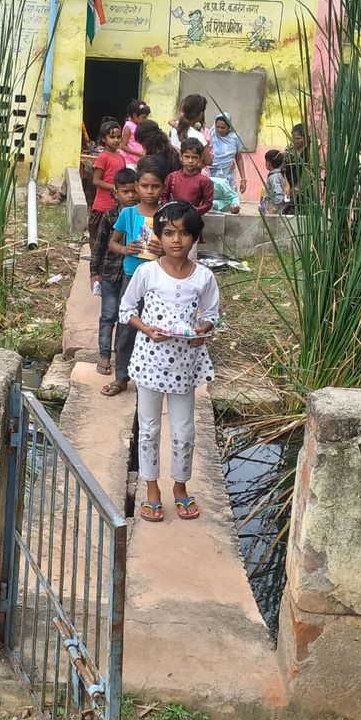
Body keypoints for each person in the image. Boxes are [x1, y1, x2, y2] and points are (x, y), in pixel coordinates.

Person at [119, 201, 219, 522]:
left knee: (184, 430)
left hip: (184, 366)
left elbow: (211, 314)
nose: (177, 240)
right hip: (150, 361)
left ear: (196, 237)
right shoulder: (147, 272)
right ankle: (152, 489)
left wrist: (202, 330)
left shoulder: (203, 277)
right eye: (169, 233)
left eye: (185, 233)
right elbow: (126, 310)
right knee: (148, 428)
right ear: (158, 236)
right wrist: (146, 329)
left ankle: (180, 486)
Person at [103, 158, 165, 398]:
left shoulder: (166, 214)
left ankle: (151, 376)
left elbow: (177, 243)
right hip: (132, 278)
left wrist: (164, 250)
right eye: (145, 186)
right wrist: (125, 249)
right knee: (127, 327)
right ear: (137, 186)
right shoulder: (128, 213)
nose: (150, 191)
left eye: (155, 186)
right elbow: (112, 242)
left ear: (162, 188)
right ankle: (121, 377)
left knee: (156, 327)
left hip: (159, 280)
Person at [90, 168, 139, 377]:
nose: (130, 196)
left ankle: (121, 358)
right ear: (116, 193)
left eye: (133, 191)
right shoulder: (110, 216)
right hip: (110, 273)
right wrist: (94, 272)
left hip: (132, 276)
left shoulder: (141, 216)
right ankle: (104, 355)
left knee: (125, 317)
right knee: (108, 315)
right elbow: (99, 245)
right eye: (125, 192)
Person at [88, 118, 126, 250]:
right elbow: (96, 180)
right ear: (104, 139)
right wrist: (114, 188)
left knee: (113, 240)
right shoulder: (103, 157)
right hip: (102, 206)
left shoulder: (121, 157)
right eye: (112, 137)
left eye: (118, 137)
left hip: (117, 207)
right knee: (98, 240)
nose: (116, 140)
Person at [162, 138, 213, 216]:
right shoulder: (172, 177)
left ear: (200, 159)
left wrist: (194, 210)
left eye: (194, 157)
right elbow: (164, 197)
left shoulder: (204, 181)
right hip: (173, 216)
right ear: (181, 157)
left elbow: (208, 203)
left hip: (192, 218)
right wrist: (168, 210)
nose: (190, 161)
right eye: (187, 156)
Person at [169, 94, 213, 167]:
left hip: (172, 168)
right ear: (201, 114)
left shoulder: (174, 126)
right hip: (189, 171)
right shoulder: (198, 136)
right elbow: (208, 161)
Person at [210, 112, 246, 198]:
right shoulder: (210, 136)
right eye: (217, 127)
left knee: (230, 199)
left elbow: (239, 158)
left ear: (229, 127)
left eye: (223, 127)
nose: (219, 130)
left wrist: (243, 179)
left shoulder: (234, 138)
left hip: (228, 175)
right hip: (211, 174)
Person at [283, 123, 309, 213]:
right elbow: (283, 167)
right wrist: (286, 184)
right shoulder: (289, 149)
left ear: (306, 138)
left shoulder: (310, 151)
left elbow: (308, 174)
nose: (295, 141)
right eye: (293, 138)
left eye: (298, 138)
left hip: (304, 189)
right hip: (288, 184)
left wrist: (294, 191)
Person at [120, 100, 151, 167]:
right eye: (144, 117)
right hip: (129, 161)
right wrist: (139, 154)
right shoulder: (128, 127)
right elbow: (123, 146)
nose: (146, 119)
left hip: (138, 160)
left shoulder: (140, 126)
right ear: (134, 116)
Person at [259, 149, 286, 214]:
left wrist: (273, 209)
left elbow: (279, 194)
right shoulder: (278, 174)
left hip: (272, 210)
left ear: (268, 163)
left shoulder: (274, 177)